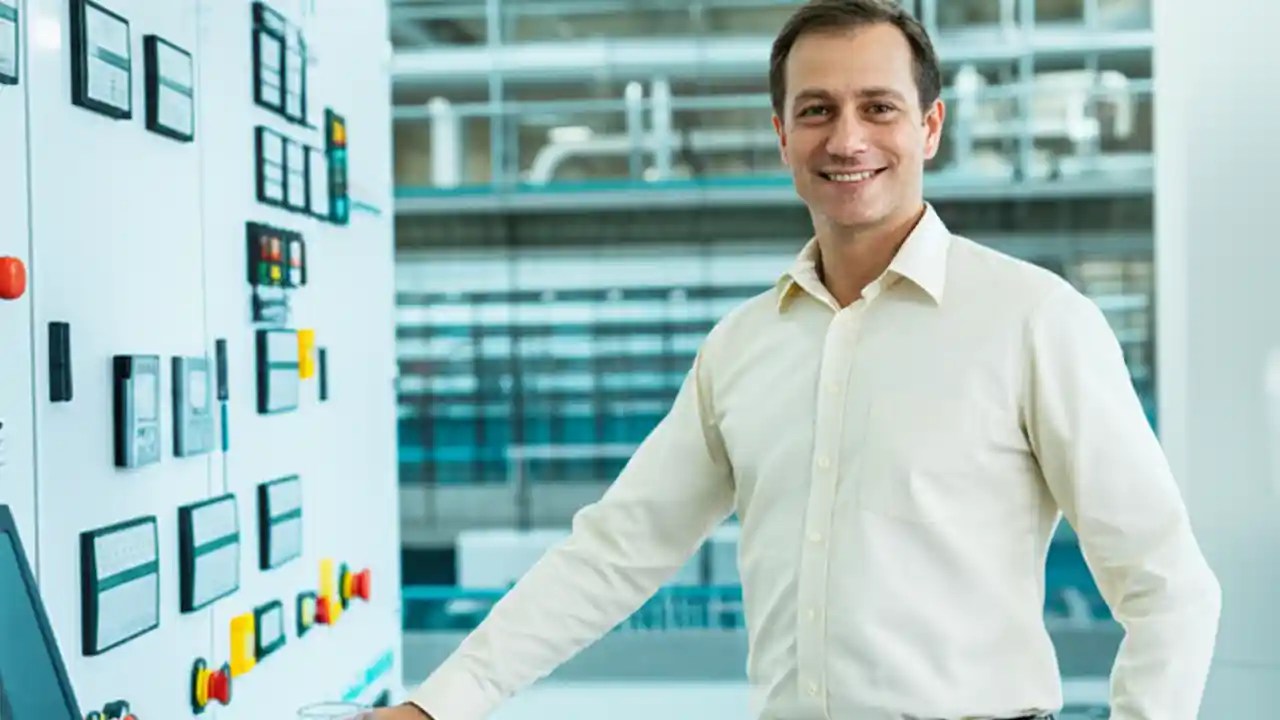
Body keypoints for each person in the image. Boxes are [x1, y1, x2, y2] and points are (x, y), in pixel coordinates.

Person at [372, 0, 1221, 718]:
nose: (846, 139)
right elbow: (617, 551)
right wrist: (439, 701)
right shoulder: (743, 346)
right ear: (782, 134)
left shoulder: (1034, 319)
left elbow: (1169, 586)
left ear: (930, 125)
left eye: (879, 107)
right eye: (816, 110)